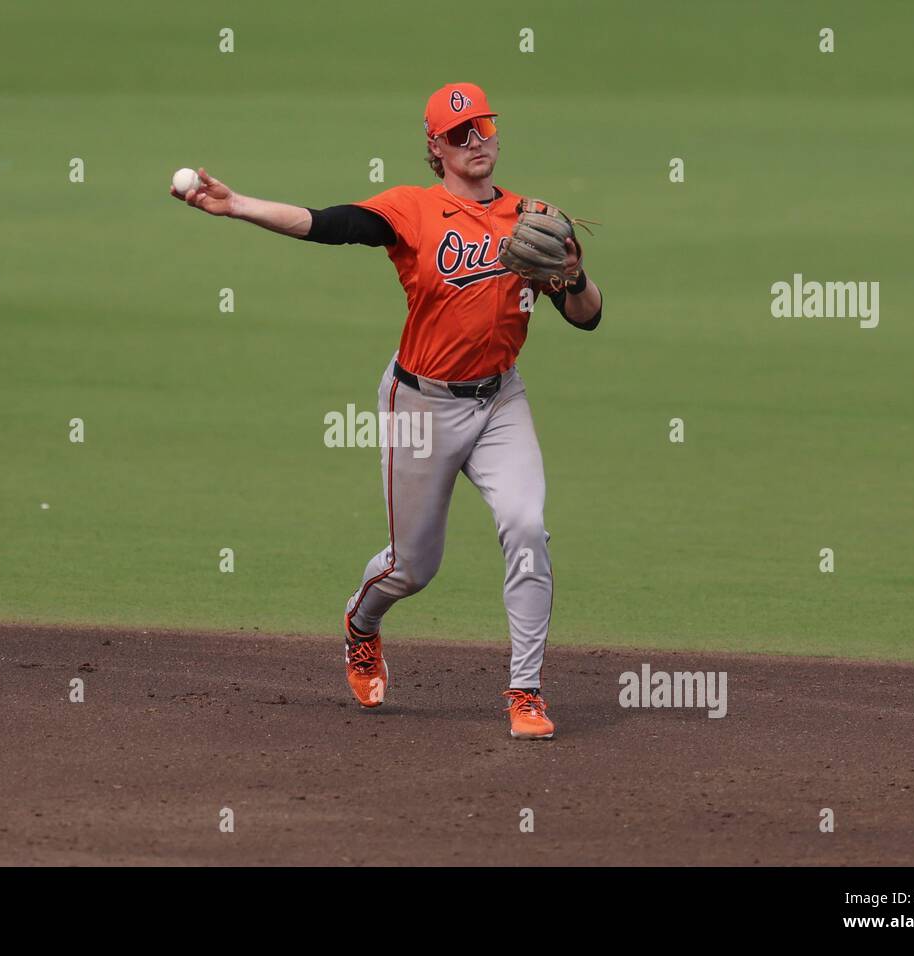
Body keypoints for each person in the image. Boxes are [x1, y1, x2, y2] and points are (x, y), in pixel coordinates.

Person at [172, 82, 603, 739]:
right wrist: (236, 206)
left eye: (483, 129)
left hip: (500, 401)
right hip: (420, 406)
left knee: (527, 526)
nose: (476, 142)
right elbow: (327, 223)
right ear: (437, 147)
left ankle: (525, 693)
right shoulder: (411, 210)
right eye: (460, 135)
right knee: (413, 566)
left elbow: (587, 318)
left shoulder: (529, 217)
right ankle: (361, 624)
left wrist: (574, 275)